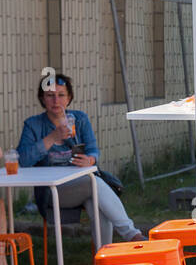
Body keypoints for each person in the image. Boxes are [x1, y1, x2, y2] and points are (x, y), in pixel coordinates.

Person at [17, 73, 144, 243]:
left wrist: (90, 160)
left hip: (81, 185)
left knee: (96, 204)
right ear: (42, 99)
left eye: (61, 95)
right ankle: (132, 235)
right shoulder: (33, 124)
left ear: (69, 98)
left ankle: (102, 260)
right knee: (95, 183)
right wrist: (52, 138)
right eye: (50, 95)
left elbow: (93, 150)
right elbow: (22, 160)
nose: (56, 101)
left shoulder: (80, 119)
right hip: (52, 192)